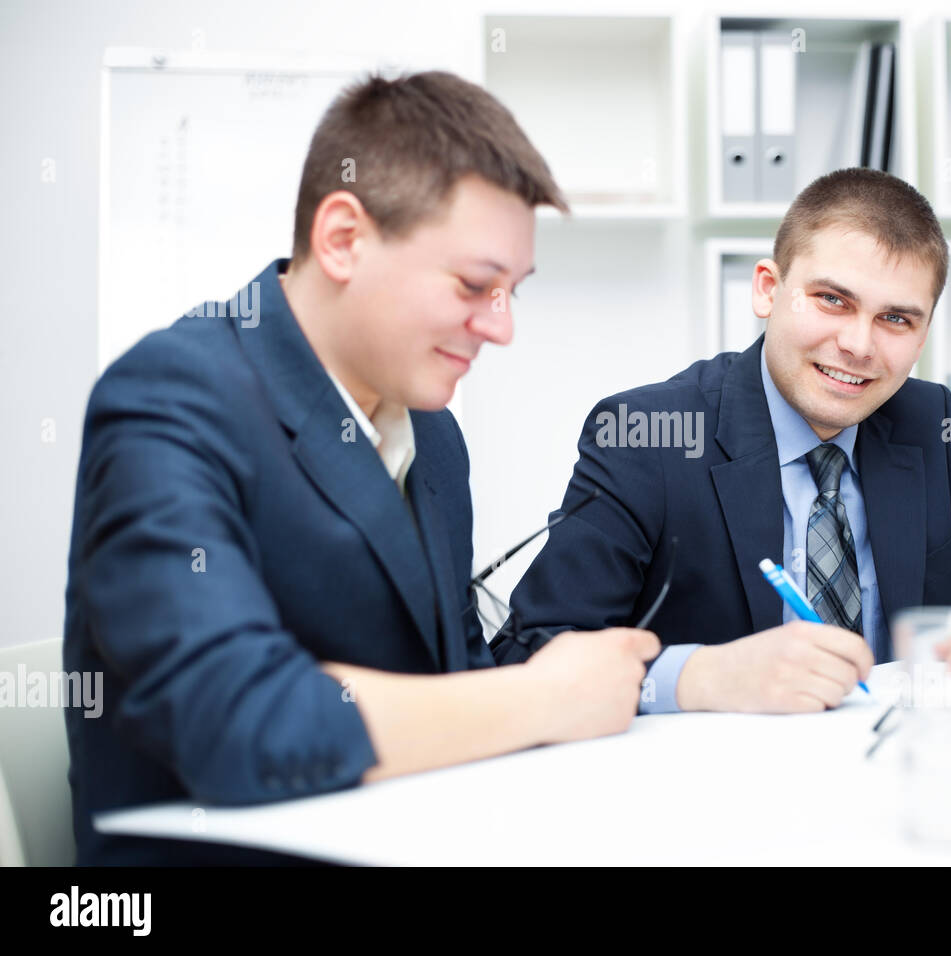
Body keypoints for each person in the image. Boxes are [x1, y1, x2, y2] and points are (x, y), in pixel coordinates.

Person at [63, 71, 658, 865]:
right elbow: (237, 721)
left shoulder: (433, 435)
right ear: (343, 238)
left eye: (513, 291)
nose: (501, 327)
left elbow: (455, 679)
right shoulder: (171, 397)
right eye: (476, 285)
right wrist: (542, 698)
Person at [492, 168, 951, 715]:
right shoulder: (648, 437)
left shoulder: (927, 427)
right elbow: (529, 653)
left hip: (888, 782)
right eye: (833, 300)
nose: (860, 345)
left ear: (921, 337)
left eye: (895, 318)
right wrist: (700, 677)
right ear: (768, 290)